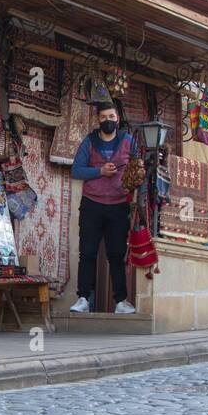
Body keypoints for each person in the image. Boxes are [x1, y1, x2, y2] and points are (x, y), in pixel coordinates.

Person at [69, 100, 136, 314]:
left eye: (112, 117)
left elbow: (138, 167)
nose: (108, 121)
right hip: (92, 205)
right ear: (98, 120)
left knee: (116, 254)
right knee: (87, 253)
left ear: (118, 119)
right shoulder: (89, 142)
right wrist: (99, 172)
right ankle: (83, 299)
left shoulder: (128, 141)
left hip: (118, 205)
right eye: (104, 117)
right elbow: (76, 170)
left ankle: (121, 301)